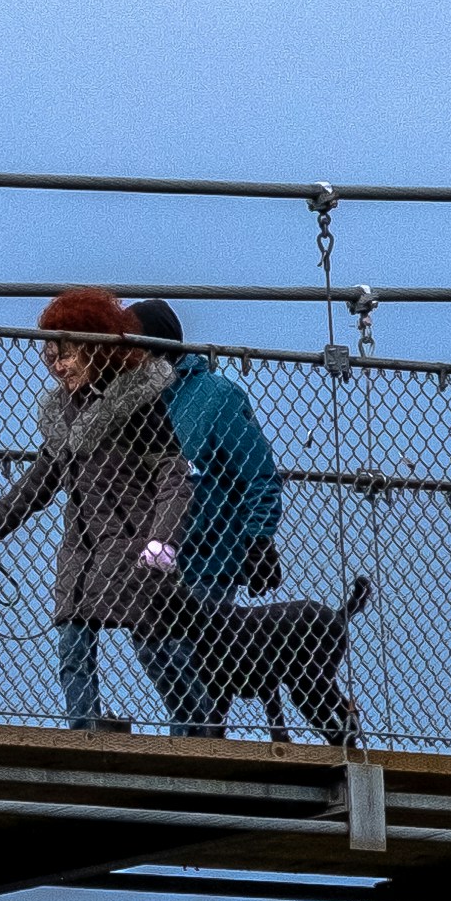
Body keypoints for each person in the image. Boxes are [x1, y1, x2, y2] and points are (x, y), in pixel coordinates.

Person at [0, 289, 180, 729]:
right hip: (81, 550)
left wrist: (162, 540)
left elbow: (174, 477)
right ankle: (84, 726)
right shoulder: (64, 415)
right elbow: (38, 483)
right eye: (51, 357)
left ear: (96, 349)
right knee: (73, 643)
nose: (58, 366)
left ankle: (195, 719)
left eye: (68, 355)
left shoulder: (138, 407)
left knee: (154, 642)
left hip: (132, 545)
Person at [122, 299, 281, 736]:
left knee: (193, 655)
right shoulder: (126, 401)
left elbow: (258, 472)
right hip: (148, 558)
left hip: (208, 555)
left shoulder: (215, 397)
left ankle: (199, 746)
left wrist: (258, 538)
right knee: (154, 647)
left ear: (154, 347)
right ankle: (198, 738)